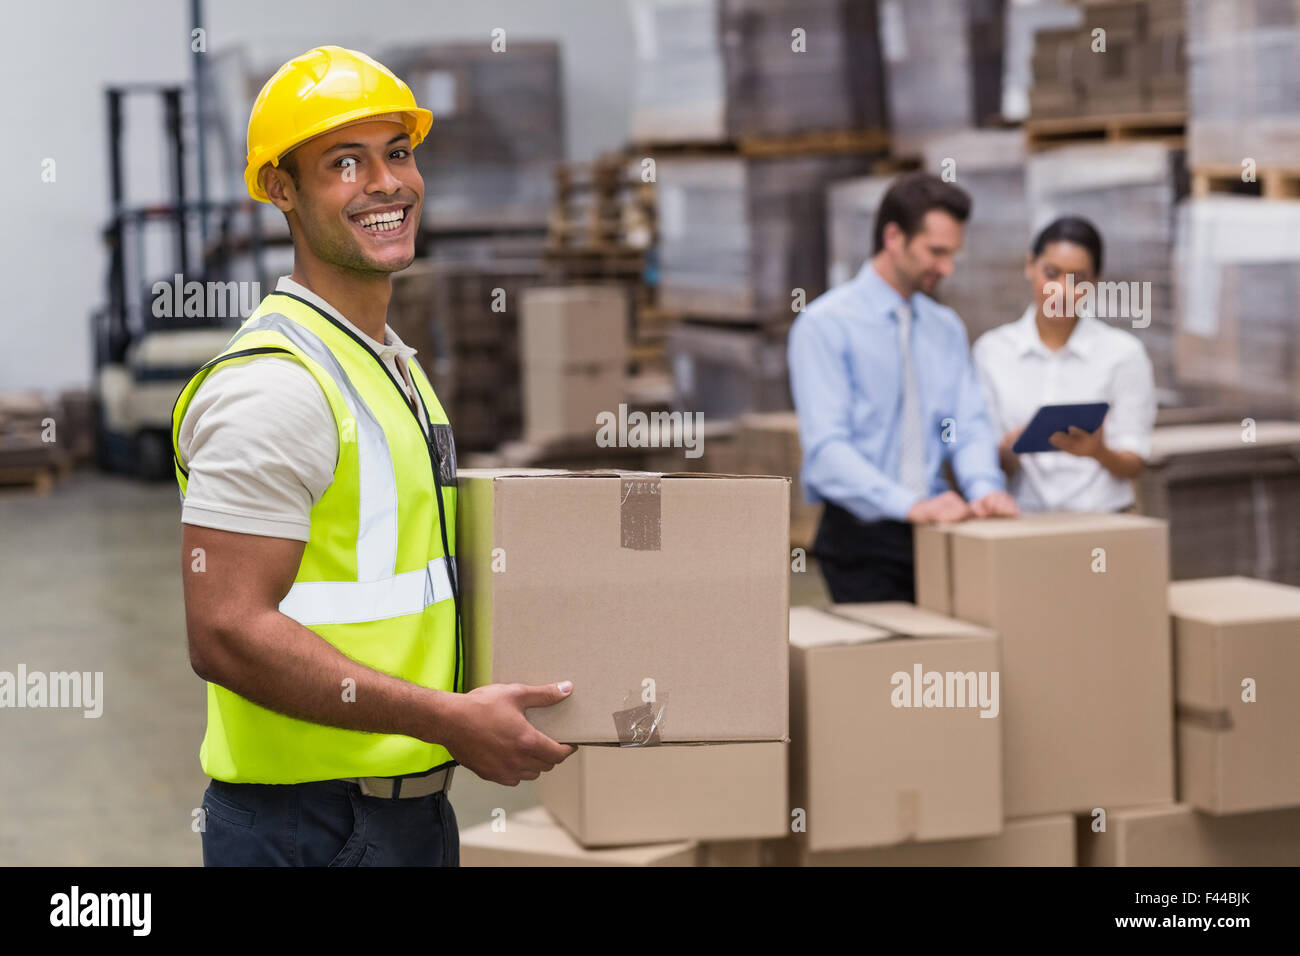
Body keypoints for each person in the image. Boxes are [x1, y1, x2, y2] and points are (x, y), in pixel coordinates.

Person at [171, 46, 574, 867]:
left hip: (399, 814)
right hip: (310, 829)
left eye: (398, 153)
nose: (386, 183)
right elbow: (224, 631)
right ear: (281, 189)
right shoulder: (277, 388)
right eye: (343, 163)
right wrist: (447, 718)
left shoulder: (387, 363)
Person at [788, 172, 1018, 604]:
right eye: (937, 252)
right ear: (894, 236)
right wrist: (907, 503)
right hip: (862, 537)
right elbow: (827, 449)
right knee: (887, 667)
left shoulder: (944, 328)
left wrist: (984, 486)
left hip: (937, 530)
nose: (946, 268)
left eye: (953, 255)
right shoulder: (826, 325)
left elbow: (960, 425)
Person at [972, 216, 1156, 513]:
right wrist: (1006, 451)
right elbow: (980, 456)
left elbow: (1134, 464)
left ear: (1095, 282)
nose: (1062, 290)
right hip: (1020, 520)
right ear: (1030, 265)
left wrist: (1099, 452)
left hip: (1102, 518)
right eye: (1051, 273)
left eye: (1078, 279)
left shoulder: (1123, 354)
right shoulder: (991, 352)